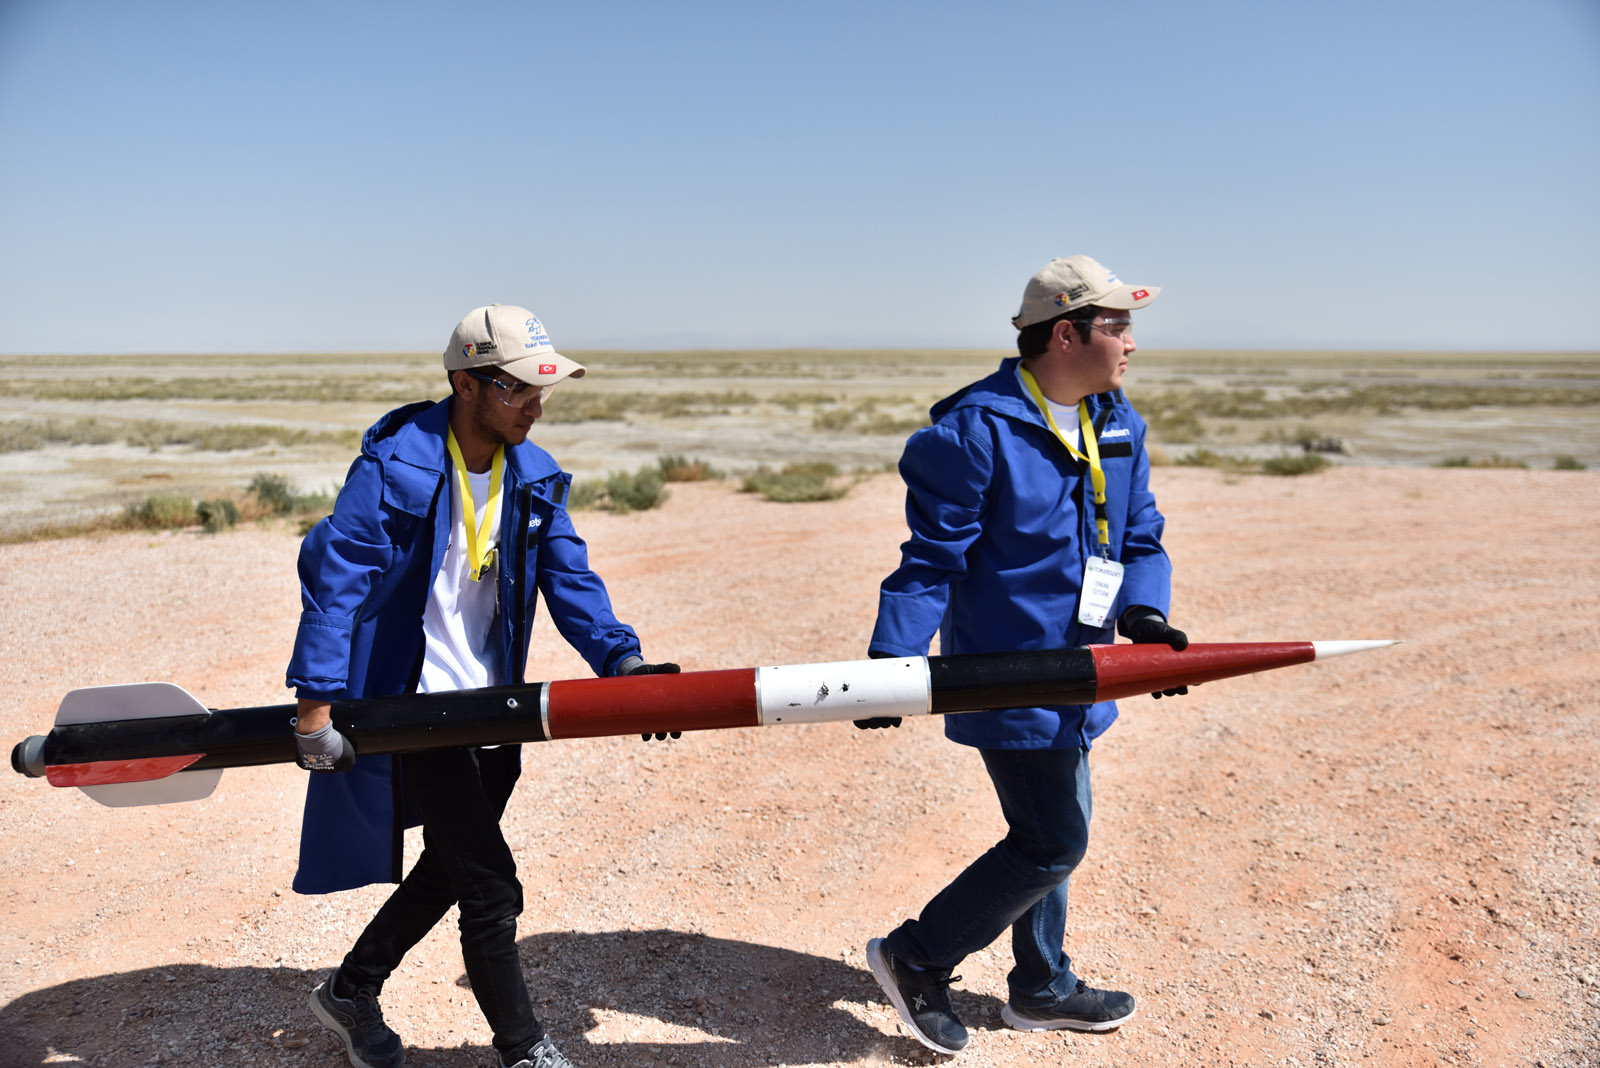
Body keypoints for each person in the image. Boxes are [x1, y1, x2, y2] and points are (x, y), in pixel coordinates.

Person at [286, 304, 679, 1068]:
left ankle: (350, 990)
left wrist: (626, 668)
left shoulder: (531, 475)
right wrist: (314, 707)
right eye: (520, 391)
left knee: (451, 863)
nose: (537, 406)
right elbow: (334, 585)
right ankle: (525, 1048)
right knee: (493, 888)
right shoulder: (394, 470)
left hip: (497, 712)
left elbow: (573, 582)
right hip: (418, 711)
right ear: (466, 384)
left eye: (543, 391)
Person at [859, 256, 1189, 1055]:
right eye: (1118, 325)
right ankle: (915, 955)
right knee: (1053, 840)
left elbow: (1139, 528)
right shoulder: (975, 430)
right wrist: (891, 665)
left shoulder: (1115, 418)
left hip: (1086, 666)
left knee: (1051, 827)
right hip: (1007, 675)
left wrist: (1145, 613)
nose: (1132, 344)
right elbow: (930, 563)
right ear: (1067, 333)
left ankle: (1042, 983)